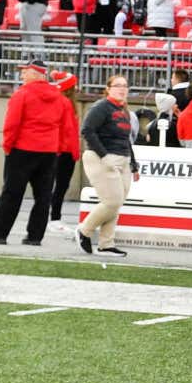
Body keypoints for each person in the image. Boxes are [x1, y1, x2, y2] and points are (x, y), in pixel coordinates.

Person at [0, 56, 74, 248]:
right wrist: (57, 149)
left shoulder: (22, 94)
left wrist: (8, 146)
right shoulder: (60, 98)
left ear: (35, 74)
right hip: (49, 152)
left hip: (22, 150)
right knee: (43, 197)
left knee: (11, 193)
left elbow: (12, 124)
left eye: (25, 71)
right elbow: (66, 127)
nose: (22, 74)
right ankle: (34, 237)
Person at [75, 75, 138, 258]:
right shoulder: (101, 107)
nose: (122, 89)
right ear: (108, 88)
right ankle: (84, 230)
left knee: (116, 204)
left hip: (123, 159)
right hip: (102, 157)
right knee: (112, 201)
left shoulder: (124, 110)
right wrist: (104, 155)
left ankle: (106, 244)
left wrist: (133, 163)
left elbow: (126, 139)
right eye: (117, 85)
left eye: (125, 86)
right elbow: (87, 130)